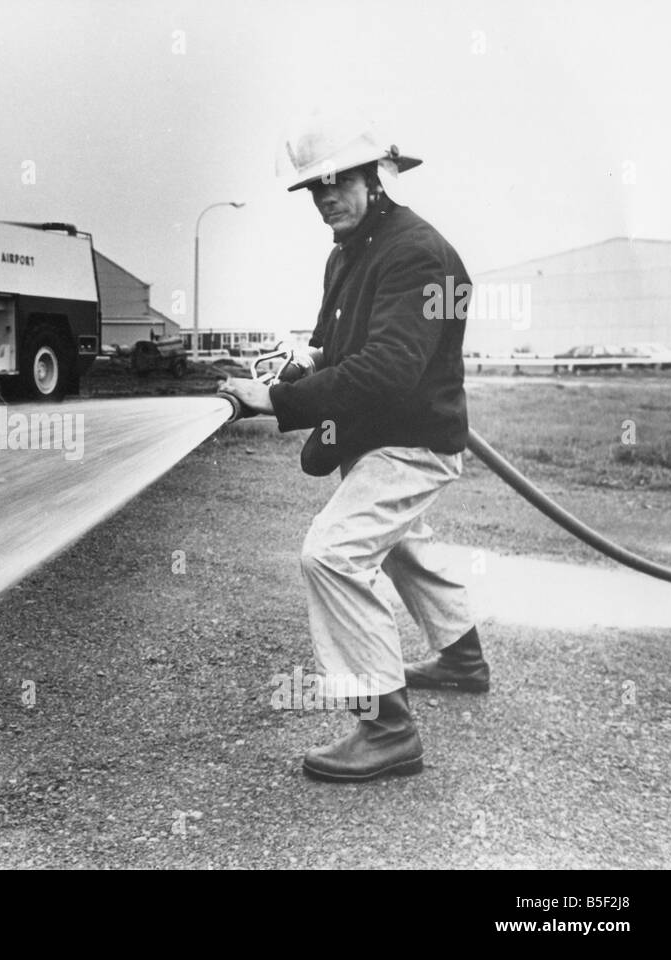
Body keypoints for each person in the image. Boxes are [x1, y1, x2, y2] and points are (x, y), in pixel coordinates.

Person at [218, 116, 490, 783]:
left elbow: (391, 370)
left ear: (378, 177)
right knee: (399, 542)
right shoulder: (347, 252)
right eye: (314, 188)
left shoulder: (418, 253)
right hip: (378, 436)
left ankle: (387, 729)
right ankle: (461, 659)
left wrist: (276, 405)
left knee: (333, 553)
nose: (326, 197)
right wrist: (287, 371)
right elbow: (331, 347)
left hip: (413, 441)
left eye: (338, 182)